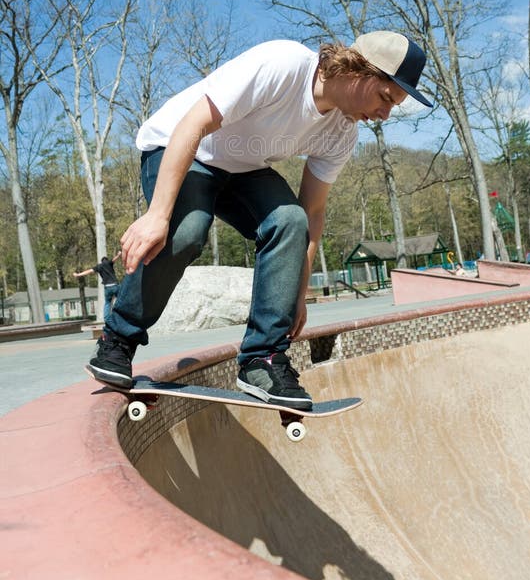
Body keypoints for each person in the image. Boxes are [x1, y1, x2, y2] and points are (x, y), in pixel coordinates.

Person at [86, 31, 432, 409]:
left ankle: (262, 360)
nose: (384, 115)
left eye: (393, 107)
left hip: (243, 170)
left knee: (289, 220)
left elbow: (312, 212)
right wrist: (157, 215)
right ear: (359, 69)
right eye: (385, 99)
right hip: (181, 146)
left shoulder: (342, 132)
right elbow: (193, 124)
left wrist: (295, 294)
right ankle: (117, 338)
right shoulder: (283, 64)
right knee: (186, 231)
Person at [74, 253, 121, 320]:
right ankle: (122, 315)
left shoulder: (99, 266)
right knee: (121, 299)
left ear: (101, 261)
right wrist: (118, 255)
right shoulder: (109, 263)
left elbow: (89, 271)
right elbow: (114, 259)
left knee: (107, 303)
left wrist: (78, 275)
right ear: (106, 260)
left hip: (107, 288)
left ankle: (107, 319)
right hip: (115, 285)